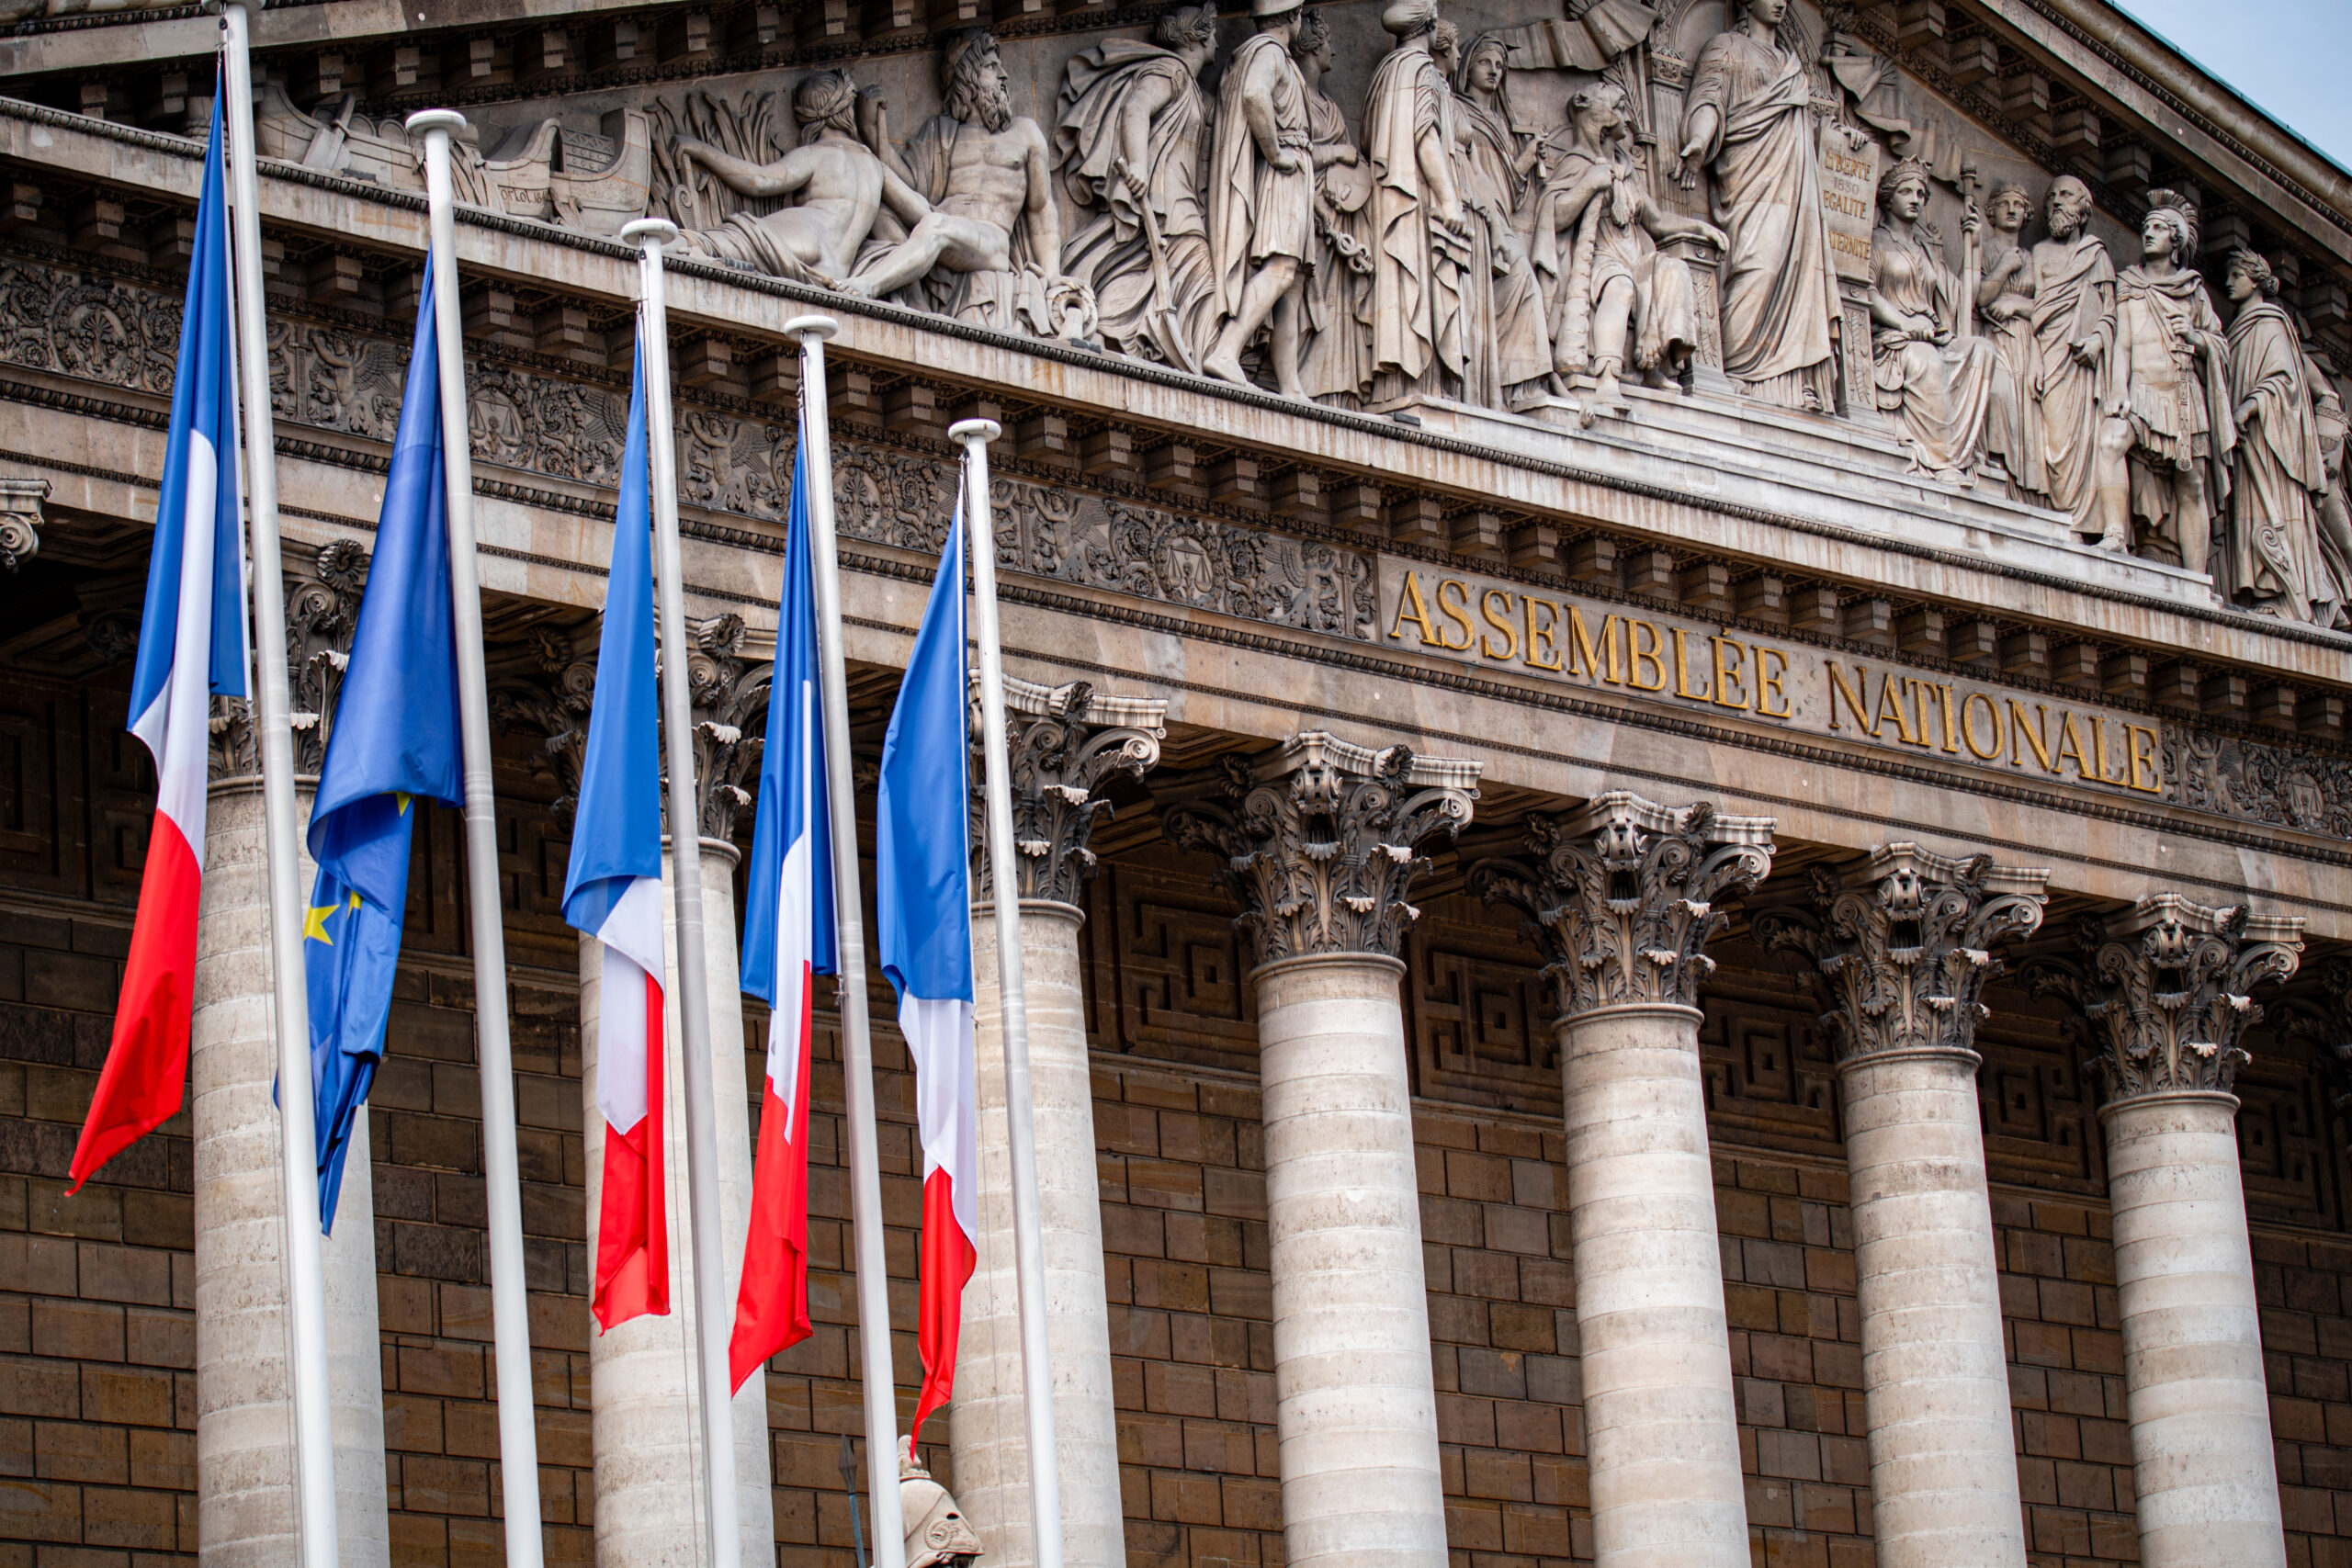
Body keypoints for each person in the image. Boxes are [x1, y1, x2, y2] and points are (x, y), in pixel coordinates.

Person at [848, 28, 1073, 337]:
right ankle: (914, 307)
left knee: (937, 227)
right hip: (939, 221)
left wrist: (1052, 274)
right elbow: (910, 183)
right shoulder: (941, 131)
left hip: (990, 241)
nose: (1004, 75)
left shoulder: (1025, 133)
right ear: (967, 77)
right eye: (992, 67)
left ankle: (866, 285)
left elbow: (1041, 208)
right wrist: (873, 131)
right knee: (875, 189)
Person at [1676, 0, 1842, 410]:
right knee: (1757, 266)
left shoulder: (1793, 65)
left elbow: (1809, 131)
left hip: (1796, 188)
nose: (1781, 1)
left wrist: (1846, 140)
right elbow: (1708, 101)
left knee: (1802, 270)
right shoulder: (1725, 47)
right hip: (1749, 181)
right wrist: (1698, 142)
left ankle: (1792, 383)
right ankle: (1742, 371)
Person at [1533, 79, 1724, 417]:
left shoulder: (1626, 171)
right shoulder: (1578, 162)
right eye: (1619, 109)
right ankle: (1607, 379)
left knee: (1672, 270)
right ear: (1601, 119)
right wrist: (1590, 183)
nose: (1628, 118)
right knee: (1620, 286)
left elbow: (1657, 220)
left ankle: (1652, 366)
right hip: (1599, 259)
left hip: (1634, 255)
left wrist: (1700, 226)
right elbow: (1555, 214)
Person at [1056, 5, 1221, 369]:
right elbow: (1136, 106)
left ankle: (1141, 335)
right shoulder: (1171, 71)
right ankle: (1199, 358)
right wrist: (1139, 170)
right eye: (1213, 30)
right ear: (1199, 34)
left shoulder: (1193, 89)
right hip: (1167, 200)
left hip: (1182, 201)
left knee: (1161, 274)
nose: (1218, 40)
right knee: (1196, 267)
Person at [672, 70, 930, 283]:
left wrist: (701, 150)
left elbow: (760, 181)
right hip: (833, 269)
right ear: (847, 112)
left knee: (716, 241)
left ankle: (665, 245)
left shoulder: (816, 154)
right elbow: (922, 212)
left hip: (805, 236)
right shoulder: (877, 168)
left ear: (808, 119)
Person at [2090, 189, 2235, 568]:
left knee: (2191, 485)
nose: (2148, 233)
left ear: (2176, 239)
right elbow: (2121, 344)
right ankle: (2115, 535)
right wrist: (2118, 387)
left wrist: (2194, 335)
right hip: (2141, 391)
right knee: (2110, 440)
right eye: (2145, 227)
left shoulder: (2193, 291)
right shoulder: (2130, 283)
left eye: (2157, 228)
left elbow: (2220, 346)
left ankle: (2197, 577)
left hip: (2183, 394)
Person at [1204, 0, 1317, 393]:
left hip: (1296, 173)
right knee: (1281, 270)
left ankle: (1290, 385)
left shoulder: (1279, 56)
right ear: (1293, 16)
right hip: (1283, 173)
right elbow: (1254, 95)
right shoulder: (1269, 52)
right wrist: (1275, 153)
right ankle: (1226, 351)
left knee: (1293, 281)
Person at [1363, 0, 1472, 406]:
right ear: (1429, 23)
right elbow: (1425, 134)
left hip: (1389, 196)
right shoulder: (1422, 70)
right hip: (1418, 196)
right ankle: (1421, 385)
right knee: (1421, 284)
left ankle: (1399, 383)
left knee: (1400, 283)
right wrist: (1448, 199)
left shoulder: (1386, 71)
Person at [2220, 249, 2336, 622]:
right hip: (2245, 442)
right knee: (2250, 515)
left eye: (2236, 275)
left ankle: (2285, 593)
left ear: (2255, 280)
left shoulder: (2270, 323)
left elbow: (2282, 381)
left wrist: (2249, 407)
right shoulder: (2236, 331)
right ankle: (2262, 589)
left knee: (2274, 515)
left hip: (2271, 445)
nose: (2227, 283)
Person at [1868, 159, 1999, 484]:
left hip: (1932, 335)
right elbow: (1865, 290)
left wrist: (1975, 246)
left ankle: (1959, 451)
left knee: (1982, 350)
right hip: (1893, 340)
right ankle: (1942, 461)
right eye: (1906, 192)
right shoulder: (1876, 242)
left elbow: (1961, 296)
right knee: (1926, 361)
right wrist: (1901, 322)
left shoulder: (1926, 250)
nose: (1916, 199)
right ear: (1887, 199)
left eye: (1921, 193)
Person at [1451, 30, 1556, 408]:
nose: (1493, 71)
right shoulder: (1455, 108)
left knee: (1524, 282)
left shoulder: (1499, 120)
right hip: (1475, 213)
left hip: (1500, 216)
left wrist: (1526, 158)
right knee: (1521, 278)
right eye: (1485, 63)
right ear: (1467, 66)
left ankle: (1521, 386)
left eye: (1500, 66)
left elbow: (1507, 185)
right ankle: (1514, 385)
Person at [1293, 7, 1376, 405]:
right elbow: (1294, 156)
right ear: (1312, 47)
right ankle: (1300, 381)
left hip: (1339, 221)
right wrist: (1339, 152)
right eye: (1328, 42)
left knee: (1336, 311)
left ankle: (1334, 390)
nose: (1335, 51)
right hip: (1306, 216)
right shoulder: (1295, 97)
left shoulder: (1328, 104)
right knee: (1308, 303)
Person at [2027, 175, 2117, 533]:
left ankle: (2084, 524)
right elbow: (2037, 309)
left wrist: (2098, 339)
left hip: (2084, 362)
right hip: (2050, 352)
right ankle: (2063, 519)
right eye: (2051, 197)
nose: (2056, 203)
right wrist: (2034, 357)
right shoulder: (2041, 252)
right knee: (2056, 440)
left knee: (2086, 440)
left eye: (2066, 195)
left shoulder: (2096, 253)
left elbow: (2111, 311)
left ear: (2083, 209)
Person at [1973, 181, 2044, 501]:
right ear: (1992, 212)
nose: (2013, 209)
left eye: (2019, 204)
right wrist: (2003, 268)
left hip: (2028, 344)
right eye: (2005, 204)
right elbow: (1978, 297)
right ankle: (1997, 471)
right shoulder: (1983, 250)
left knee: (2027, 414)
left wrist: (2016, 305)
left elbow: (2048, 306)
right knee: (1999, 397)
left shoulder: (2034, 259)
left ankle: (2020, 493)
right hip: (1996, 339)